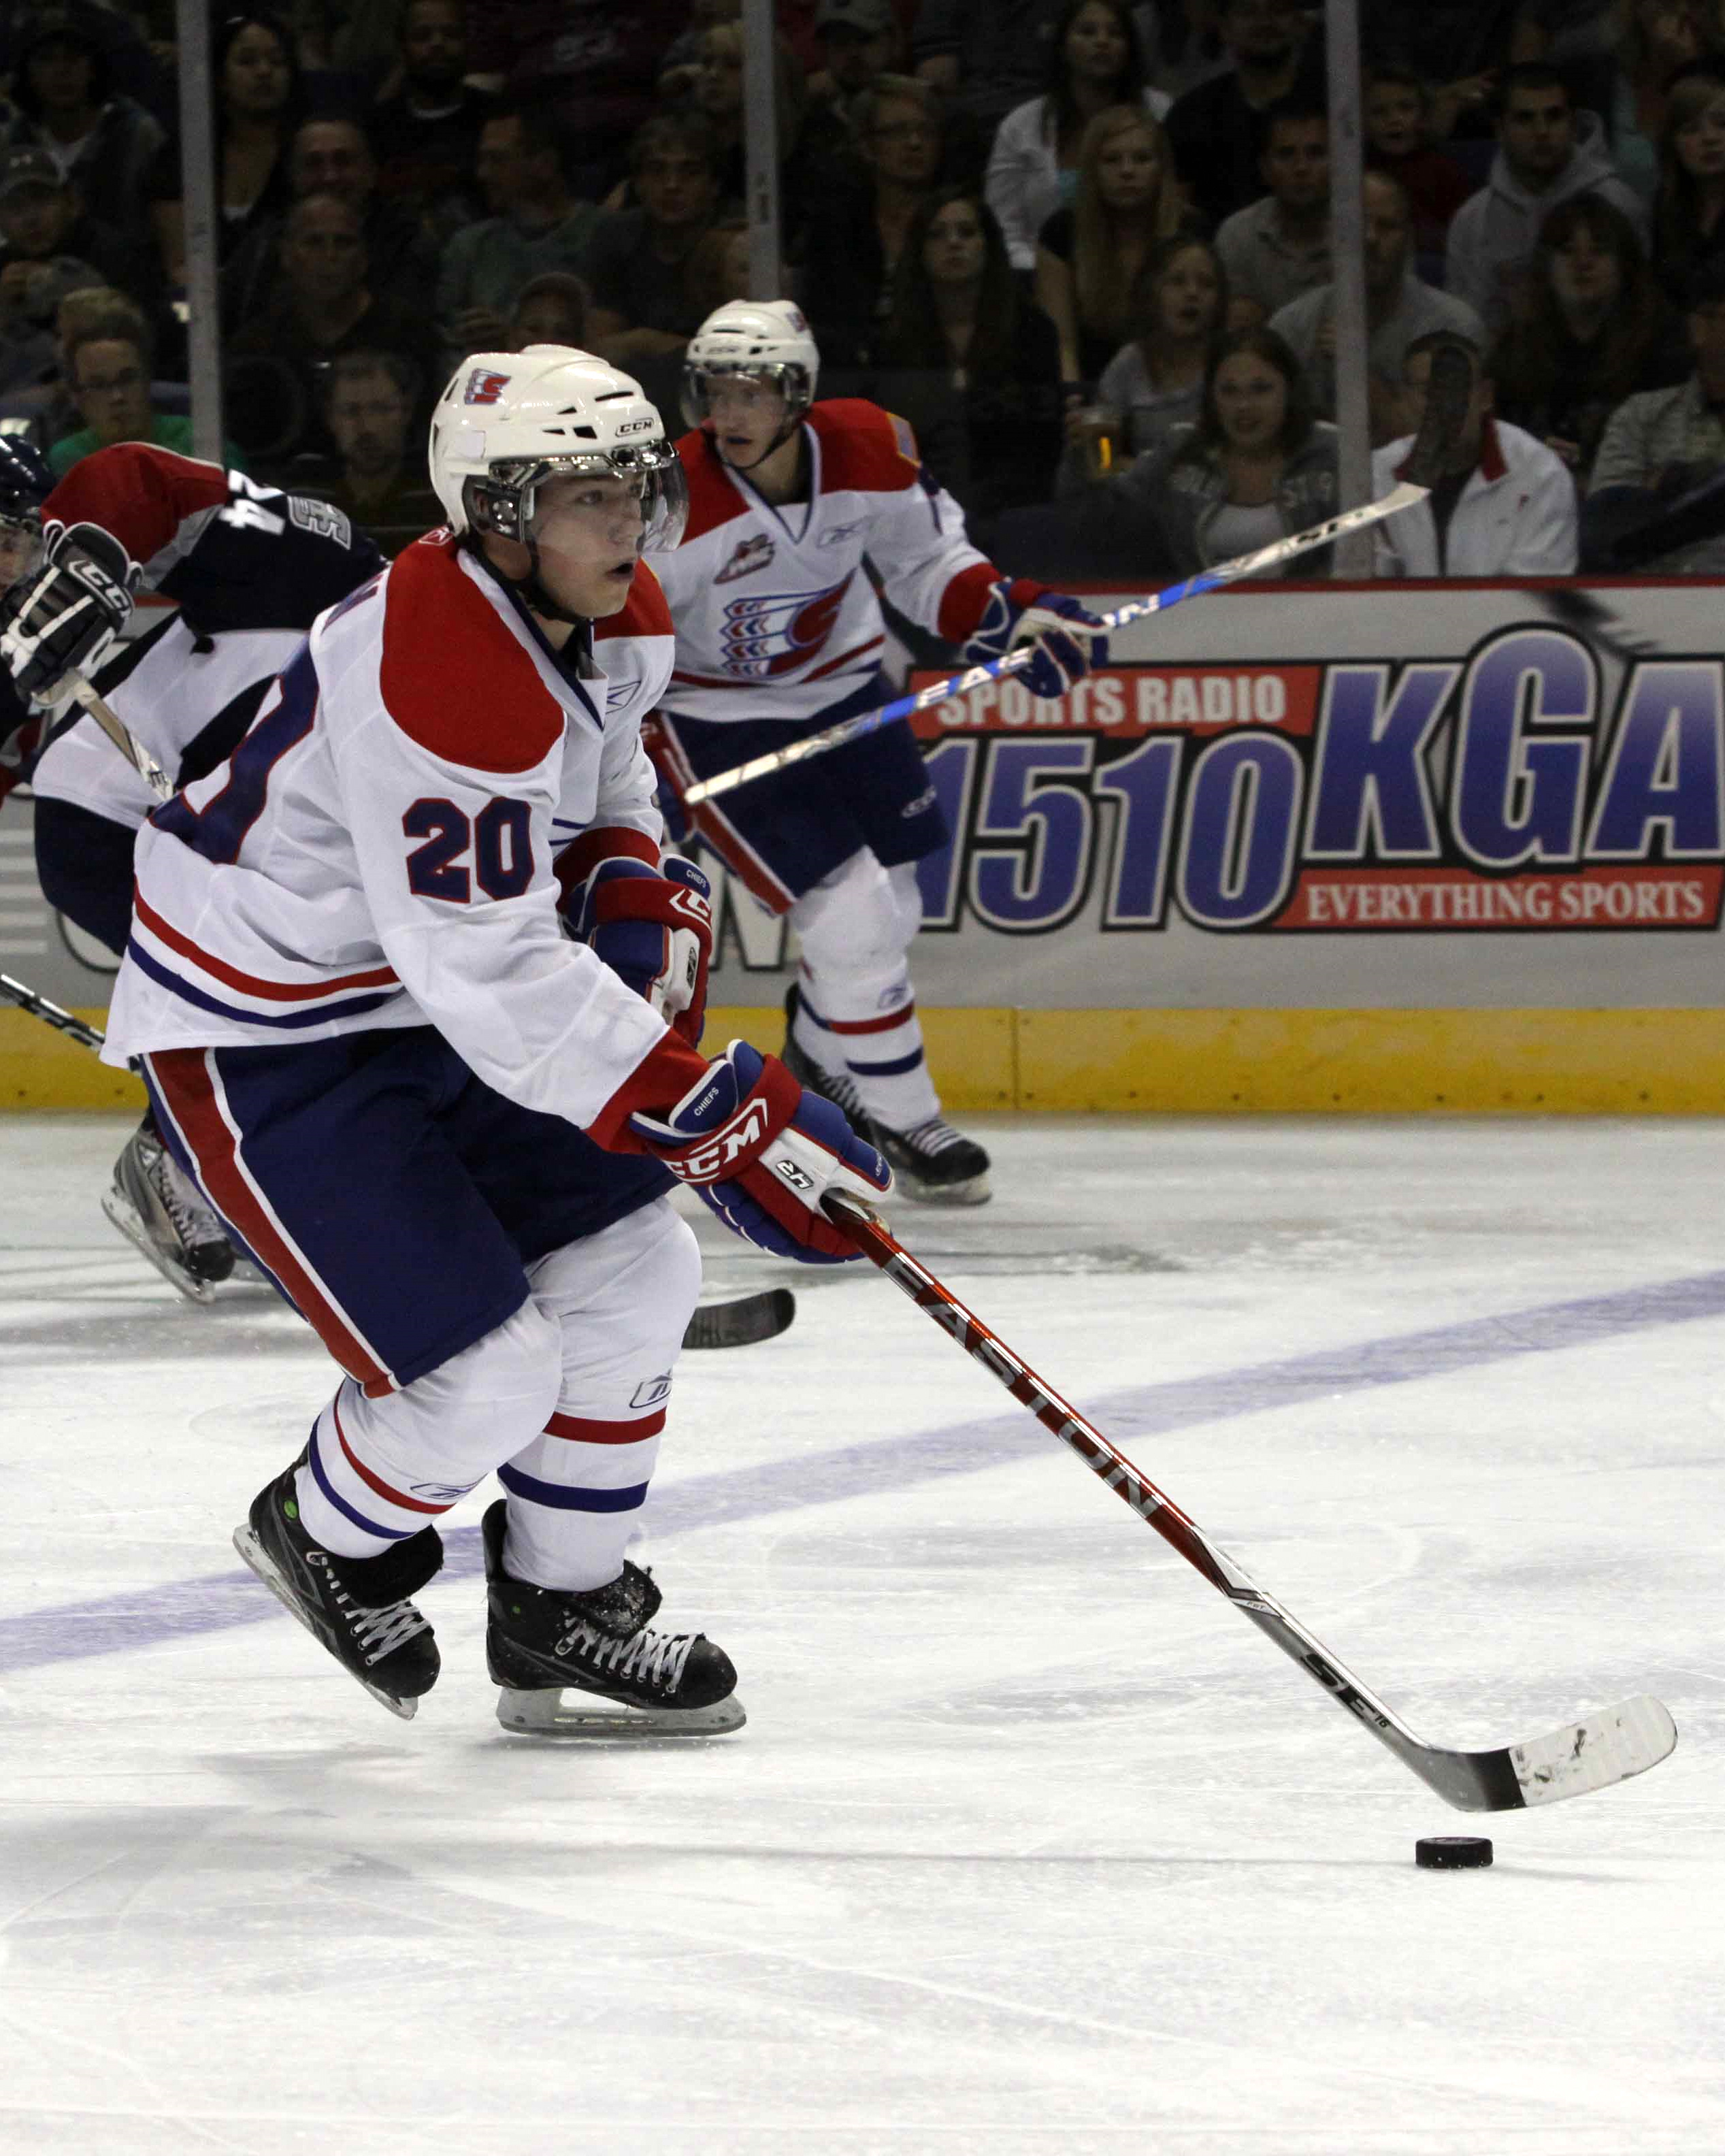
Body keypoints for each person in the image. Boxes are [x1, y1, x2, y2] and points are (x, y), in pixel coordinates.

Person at [26, 345, 889, 1729]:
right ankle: (327, 1531)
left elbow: (617, 783)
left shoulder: (609, 608)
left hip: (412, 996)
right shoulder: (436, 662)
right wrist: (712, 1114)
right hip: (265, 1036)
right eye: (591, 496)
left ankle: (561, 1605)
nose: (634, 524)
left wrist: (629, 873)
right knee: (485, 1379)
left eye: (641, 487)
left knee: (633, 1264)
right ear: (497, 511)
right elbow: (490, 977)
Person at [648, 300, 1109, 1204]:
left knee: (893, 905)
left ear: (799, 395)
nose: (729, 413)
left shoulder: (867, 449)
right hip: (714, 720)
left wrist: (1013, 616)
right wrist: (625, 760)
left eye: (753, 391)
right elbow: (627, 636)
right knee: (850, 911)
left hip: (847, 691)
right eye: (715, 391)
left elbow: (927, 564)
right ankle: (902, 1116)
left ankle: (821, 1063)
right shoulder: (671, 499)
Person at [0, 441, 387, 1299]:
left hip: (189, 790)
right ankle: (186, 1153)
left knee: (318, 989)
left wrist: (88, 551)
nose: (2, 571)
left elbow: (135, 476)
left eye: (8, 540)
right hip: (106, 829)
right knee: (278, 998)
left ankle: (187, 1150)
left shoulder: (303, 576)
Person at [1044, 323, 1339, 576]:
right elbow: (1096, 519)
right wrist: (1078, 458)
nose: (1244, 406)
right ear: (1212, 398)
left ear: (1289, 391)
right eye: (1229, 391)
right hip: (1200, 623)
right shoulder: (1181, 450)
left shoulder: (1329, 451)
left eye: (1261, 389)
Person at [870, 189, 1065, 518]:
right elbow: (892, 440)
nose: (954, 243)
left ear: (988, 244)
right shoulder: (893, 339)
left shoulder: (1032, 331)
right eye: (937, 235)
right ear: (920, 250)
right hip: (917, 510)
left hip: (1015, 510)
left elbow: (1043, 442)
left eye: (967, 232)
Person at [1268, 171, 1483, 440]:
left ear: (1408, 237)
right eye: (1355, 226)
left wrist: (1360, 370)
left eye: (1387, 225)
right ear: (1329, 235)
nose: (1370, 238)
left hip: (1417, 482)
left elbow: (1447, 447)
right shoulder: (1291, 328)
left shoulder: (1453, 327)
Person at [226, 193, 429, 471]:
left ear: (364, 256)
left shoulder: (408, 333)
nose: (329, 256)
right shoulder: (256, 345)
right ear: (286, 255)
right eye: (314, 243)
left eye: (343, 243)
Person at [1490, 191, 1686, 476]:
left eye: (1599, 250)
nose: (1583, 263)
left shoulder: (1661, 343)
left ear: (1624, 264)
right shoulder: (1518, 345)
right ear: (1547, 265)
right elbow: (1498, 436)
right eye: (1568, 250)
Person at [1444, 63, 1648, 333]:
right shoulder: (1472, 220)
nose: (1541, 131)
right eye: (1524, 119)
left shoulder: (1619, 203)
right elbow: (1466, 327)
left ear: (1573, 124)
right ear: (1499, 130)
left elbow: (1640, 308)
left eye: (1554, 116)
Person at [984, 0, 1170, 272]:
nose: (1102, 41)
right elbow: (1001, 229)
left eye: (1115, 33)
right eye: (1088, 32)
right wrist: (1050, 270)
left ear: (1130, 47)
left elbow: (1172, 209)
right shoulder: (1021, 126)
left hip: (1145, 275)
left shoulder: (1160, 112)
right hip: (1035, 274)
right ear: (1063, 46)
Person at [1372, 332, 1578, 575]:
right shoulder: (1377, 474)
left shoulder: (1540, 473)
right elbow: (1370, 581)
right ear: (1405, 399)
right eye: (1428, 391)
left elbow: (1535, 592)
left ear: (1485, 396)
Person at [435, 102, 602, 372]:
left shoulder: (603, 235)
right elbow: (444, 336)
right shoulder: (468, 246)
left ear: (545, 164)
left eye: (498, 160)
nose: (483, 173)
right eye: (483, 161)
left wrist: (515, 338)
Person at [1034, 103, 1192, 389]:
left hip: (1176, 391)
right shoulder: (1061, 233)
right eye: (1112, 160)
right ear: (1092, 170)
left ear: (1162, 168)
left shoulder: (1191, 232)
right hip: (1091, 391)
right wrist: (1076, 402)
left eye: (1142, 159)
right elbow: (1062, 345)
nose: (1127, 171)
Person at [1583, 256, 1725, 569]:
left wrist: (1662, 491)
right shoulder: (1641, 419)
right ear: (1699, 325)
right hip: (1658, 601)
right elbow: (1607, 532)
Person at [148, 10, 306, 286]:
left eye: (277, 61)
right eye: (247, 61)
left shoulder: (309, 155)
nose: (264, 72)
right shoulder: (180, 158)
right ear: (220, 77)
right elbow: (180, 268)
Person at [798, 76, 946, 364]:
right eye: (896, 132)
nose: (915, 143)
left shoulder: (959, 219)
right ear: (867, 146)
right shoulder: (837, 228)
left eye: (925, 131)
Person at [0, 9, 166, 263]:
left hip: (124, 284)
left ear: (93, 67)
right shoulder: (13, 140)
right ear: (28, 72)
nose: (61, 71)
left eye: (73, 58)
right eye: (46, 59)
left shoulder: (137, 134)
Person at [1164, 0, 1324, 230]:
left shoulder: (1333, 109)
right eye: (1248, 12)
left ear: (1300, 23)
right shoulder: (1191, 114)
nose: (1264, 22)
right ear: (1224, 28)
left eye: (1278, 10)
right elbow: (1174, 210)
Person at [46, 299, 244, 475]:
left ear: (148, 380)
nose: (117, 397)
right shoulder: (67, 461)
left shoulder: (202, 443)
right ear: (77, 395)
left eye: (128, 379)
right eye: (98, 385)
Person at [1078, 233, 1228, 463]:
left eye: (1206, 284)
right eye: (1177, 281)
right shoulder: (1131, 362)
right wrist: (1110, 461)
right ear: (1152, 293)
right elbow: (1102, 449)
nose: (1192, 293)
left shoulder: (1233, 359)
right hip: (1146, 492)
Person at [368, 0, 495, 247]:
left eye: (451, 34)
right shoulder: (376, 127)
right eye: (422, 35)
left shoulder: (498, 118)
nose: (437, 44)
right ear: (402, 48)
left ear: (468, 42)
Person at [293, 350, 442, 549]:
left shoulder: (439, 495)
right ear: (330, 418)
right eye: (350, 411)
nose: (367, 427)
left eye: (381, 409)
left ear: (407, 412)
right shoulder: (305, 492)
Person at [1214, 98, 1332, 327]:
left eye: (1316, 153)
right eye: (1287, 155)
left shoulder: (1368, 230)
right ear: (1265, 169)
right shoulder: (1237, 236)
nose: (1301, 168)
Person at [1362, 65, 1474, 262]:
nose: (1394, 119)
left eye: (1405, 108)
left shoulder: (1443, 171)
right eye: (1380, 112)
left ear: (1423, 116)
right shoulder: (1356, 173)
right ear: (1363, 121)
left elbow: (1464, 239)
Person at [1650, 69, 1725, 304]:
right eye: (1691, 129)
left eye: (1722, 124)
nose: (1709, 138)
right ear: (1673, 143)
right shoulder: (1665, 208)